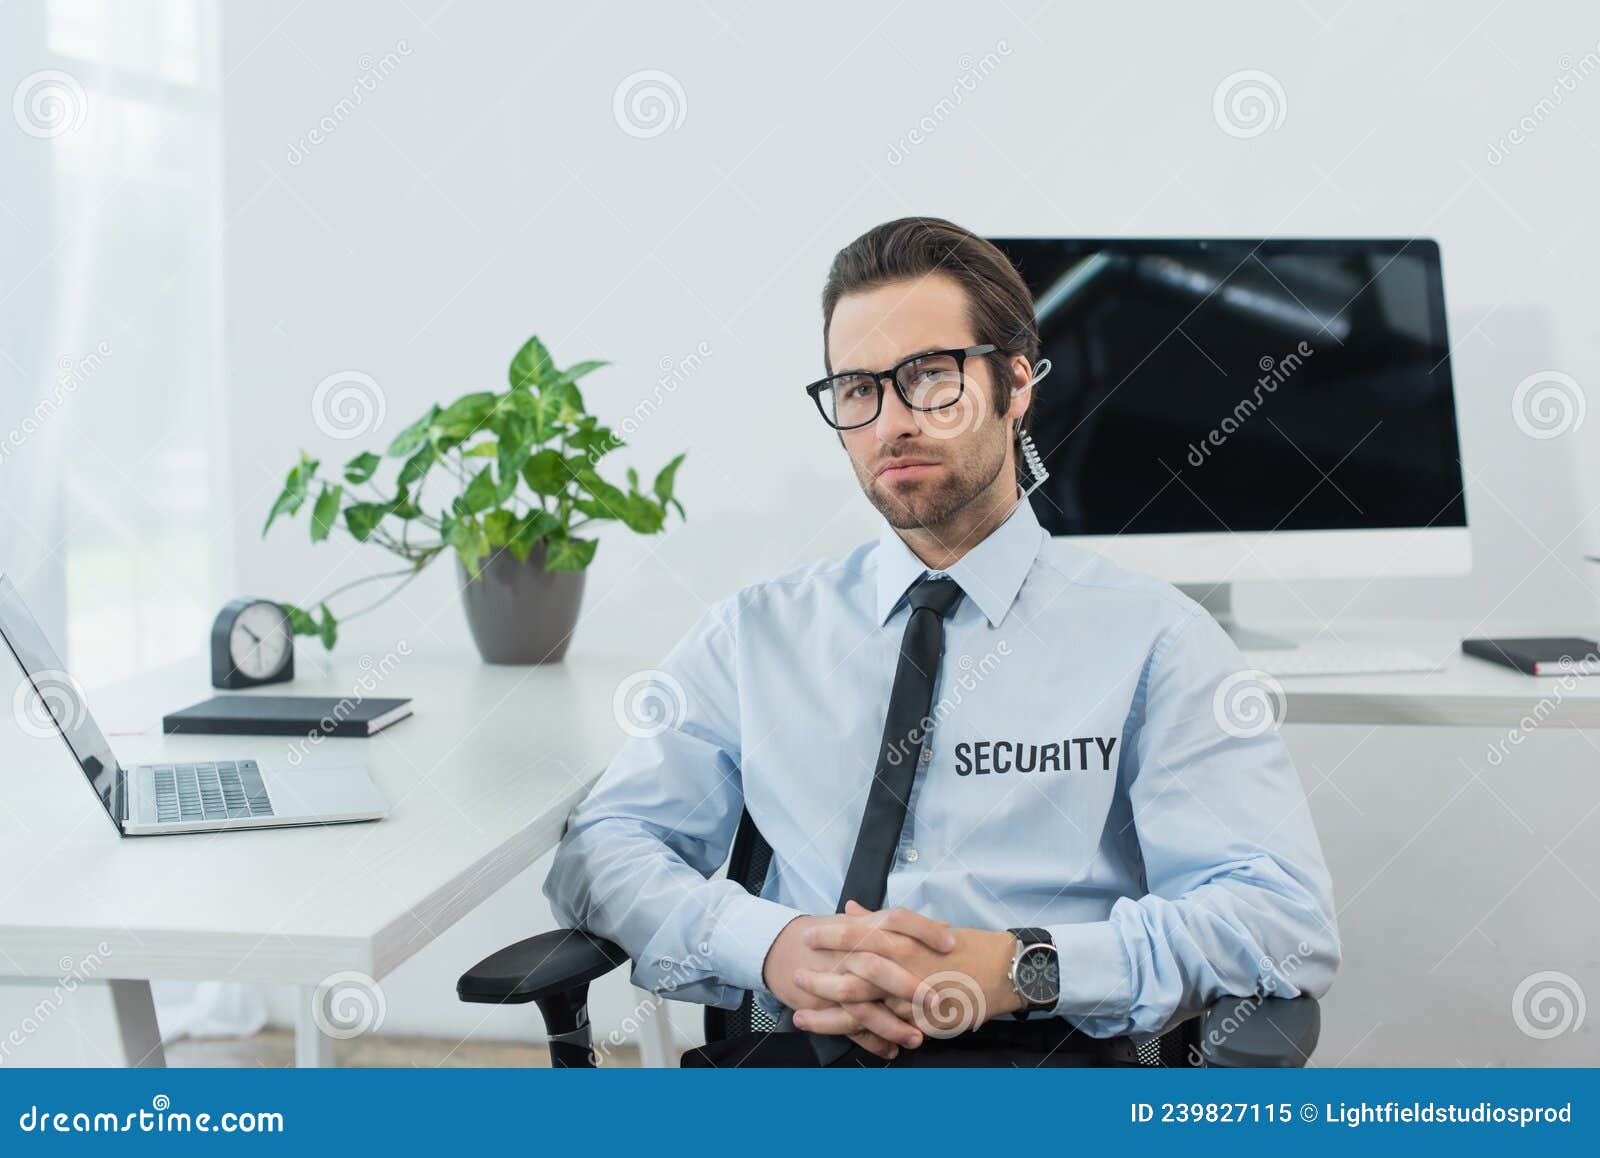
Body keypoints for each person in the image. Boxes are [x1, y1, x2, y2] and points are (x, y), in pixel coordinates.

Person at [545, 216, 1339, 1067]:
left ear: (1016, 384)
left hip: (1053, 1066)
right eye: (857, 388)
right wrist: (769, 945)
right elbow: (603, 846)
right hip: (810, 1066)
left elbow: (1280, 917)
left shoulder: (1160, 640)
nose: (891, 422)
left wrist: (1022, 966)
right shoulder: (755, 633)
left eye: (929, 377)